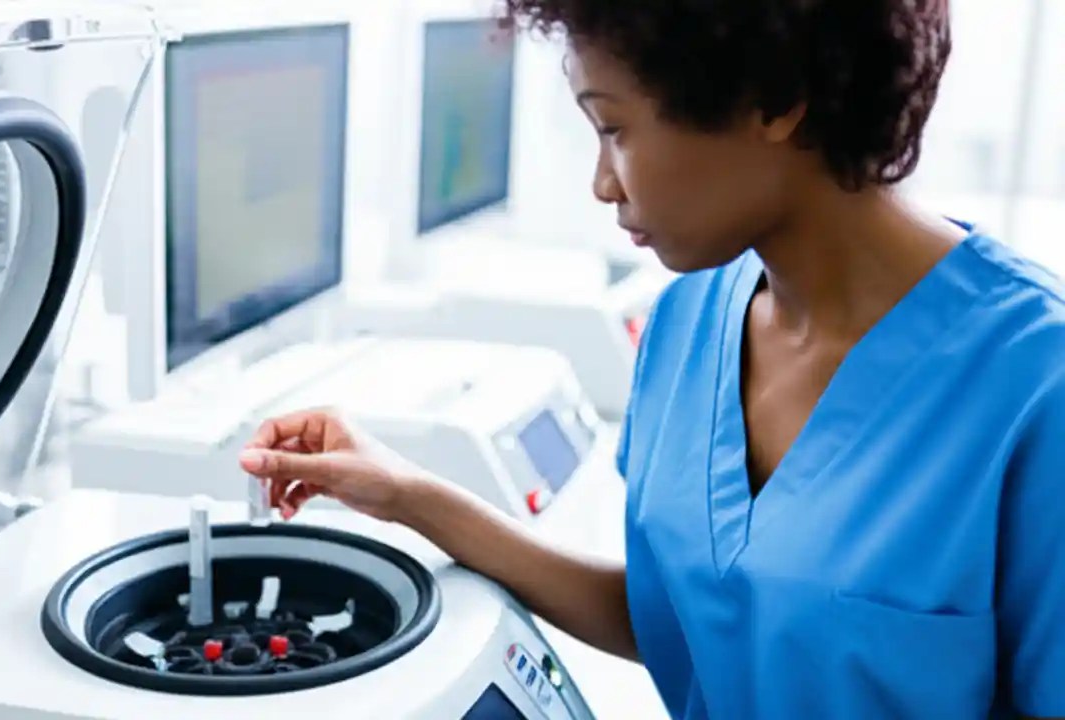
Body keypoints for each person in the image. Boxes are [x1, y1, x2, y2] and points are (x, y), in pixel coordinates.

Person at [239, 1, 1065, 717]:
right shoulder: (688, 320)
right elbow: (684, 618)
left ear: (774, 98)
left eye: (614, 129)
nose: (603, 183)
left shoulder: (1036, 387)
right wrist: (406, 495)